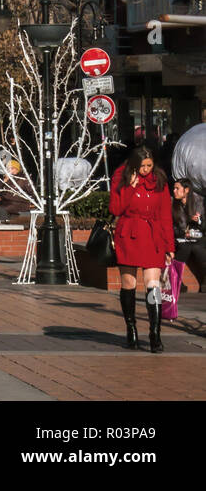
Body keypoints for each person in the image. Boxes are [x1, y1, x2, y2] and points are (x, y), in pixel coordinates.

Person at [110, 146, 174, 352]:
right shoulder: (121, 176)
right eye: (142, 166)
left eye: (149, 165)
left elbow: (165, 215)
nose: (146, 169)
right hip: (129, 234)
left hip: (153, 236)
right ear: (134, 164)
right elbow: (116, 209)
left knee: (153, 285)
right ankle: (131, 328)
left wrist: (169, 246)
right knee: (128, 283)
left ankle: (155, 332)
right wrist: (129, 187)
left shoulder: (160, 180)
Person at [172, 178, 206, 293]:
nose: (174, 191)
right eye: (174, 188)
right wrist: (182, 233)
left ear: (186, 190)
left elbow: (204, 225)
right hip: (180, 238)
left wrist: (199, 221)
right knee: (185, 247)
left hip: (197, 237)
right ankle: (177, 282)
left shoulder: (198, 202)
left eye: (177, 188)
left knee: (199, 248)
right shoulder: (172, 204)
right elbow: (171, 226)